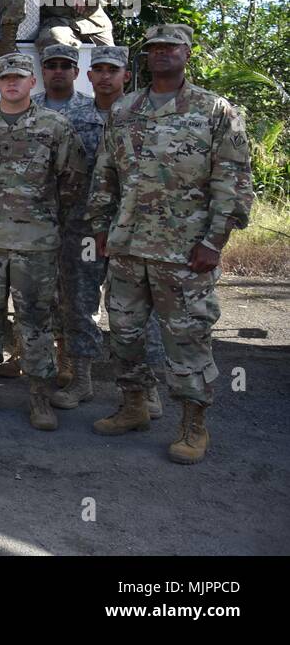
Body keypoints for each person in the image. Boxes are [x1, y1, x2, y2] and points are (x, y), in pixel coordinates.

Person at [88, 24, 253, 464]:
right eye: (154, 48)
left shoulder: (215, 110)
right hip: (126, 246)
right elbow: (105, 174)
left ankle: (193, 425)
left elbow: (233, 181)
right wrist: (101, 227)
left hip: (184, 250)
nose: (161, 54)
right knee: (123, 333)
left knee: (187, 339)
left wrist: (214, 241)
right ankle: (135, 405)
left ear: (186, 52)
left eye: (170, 47)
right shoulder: (125, 108)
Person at [0, 53, 86, 429]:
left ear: (32, 83)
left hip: (35, 243)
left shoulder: (55, 127)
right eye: (5, 78)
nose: (12, 83)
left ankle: (39, 398)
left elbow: (72, 181)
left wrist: (42, 216)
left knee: (36, 320)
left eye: (20, 77)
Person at [84, 45, 166, 419]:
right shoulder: (76, 113)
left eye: (112, 70)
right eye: (98, 69)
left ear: (126, 75)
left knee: (138, 312)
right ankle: (79, 376)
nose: (105, 76)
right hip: (85, 225)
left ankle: (145, 391)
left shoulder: (144, 113)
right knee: (80, 302)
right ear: (89, 75)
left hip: (137, 230)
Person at [31, 43, 107, 403]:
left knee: (81, 300)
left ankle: (81, 374)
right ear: (42, 71)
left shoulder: (96, 112)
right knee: (39, 298)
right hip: (38, 221)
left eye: (65, 65)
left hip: (83, 224)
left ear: (77, 73)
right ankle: (45, 363)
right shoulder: (27, 109)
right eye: (51, 65)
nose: (58, 71)